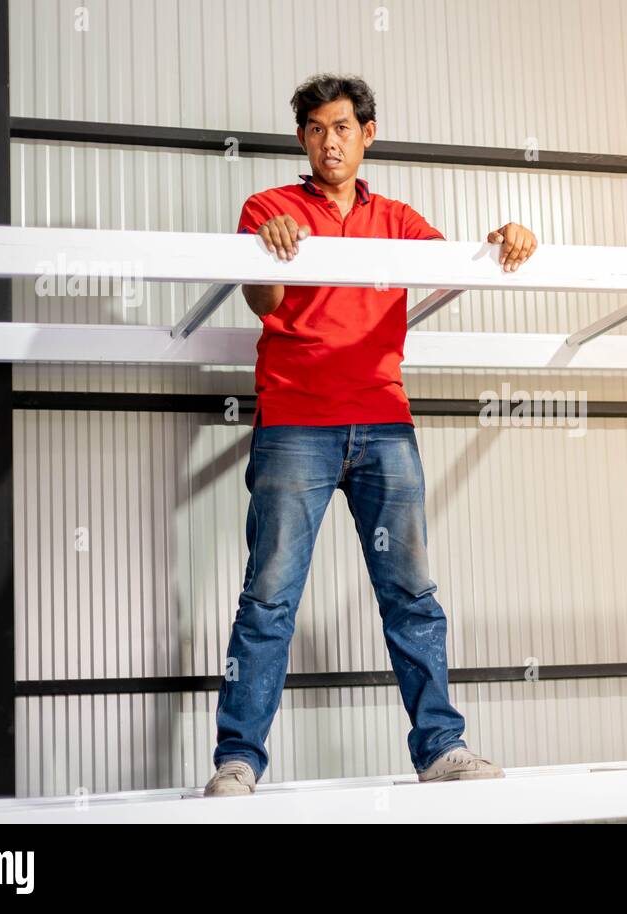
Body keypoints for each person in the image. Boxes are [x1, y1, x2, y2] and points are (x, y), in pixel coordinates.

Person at [204, 74, 537, 797]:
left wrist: (507, 240)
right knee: (268, 598)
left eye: (344, 128)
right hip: (296, 424)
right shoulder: (271, 209)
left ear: (367, 134)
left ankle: (441, 747)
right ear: (302, 138)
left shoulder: (396, 218)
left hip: (385, 424)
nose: (331, 141)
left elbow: (454, 269)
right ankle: (238, 760)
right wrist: (268, 253)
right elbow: (262, 301)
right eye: (318, 129)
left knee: (412, 593)